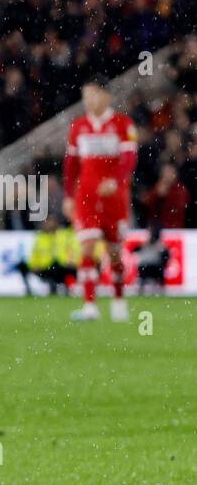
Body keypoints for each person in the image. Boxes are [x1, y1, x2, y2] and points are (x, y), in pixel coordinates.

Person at [62, 76, 138, 322]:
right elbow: (71, 164)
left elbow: (129, 160)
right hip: (86, 195)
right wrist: (68, 195)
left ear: (106, 96)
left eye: (92, 95)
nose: (88, 101)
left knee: (114, 252)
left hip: (114, 199)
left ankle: (117, 300)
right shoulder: (78, 126)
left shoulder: (122, 124)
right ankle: (90, 306)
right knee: (87, 247)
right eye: (85, 96)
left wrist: (116, 180)